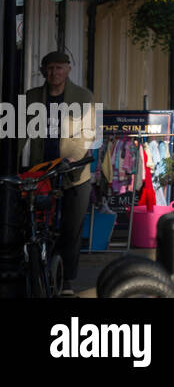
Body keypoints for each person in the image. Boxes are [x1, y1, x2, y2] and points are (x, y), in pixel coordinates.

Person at [19, 52, 97, 296]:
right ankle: (36, 270)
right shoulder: (32, 97)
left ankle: (67, 281)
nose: (54, 73)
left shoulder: (83, 97)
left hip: (73, 172)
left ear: (69, 70)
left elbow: (86, 132)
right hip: (40, 171)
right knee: (35, 224)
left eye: (59, 68)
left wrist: (72, 158)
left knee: (70, 228)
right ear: (43, 71)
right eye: (50, 68)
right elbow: (19, 133)